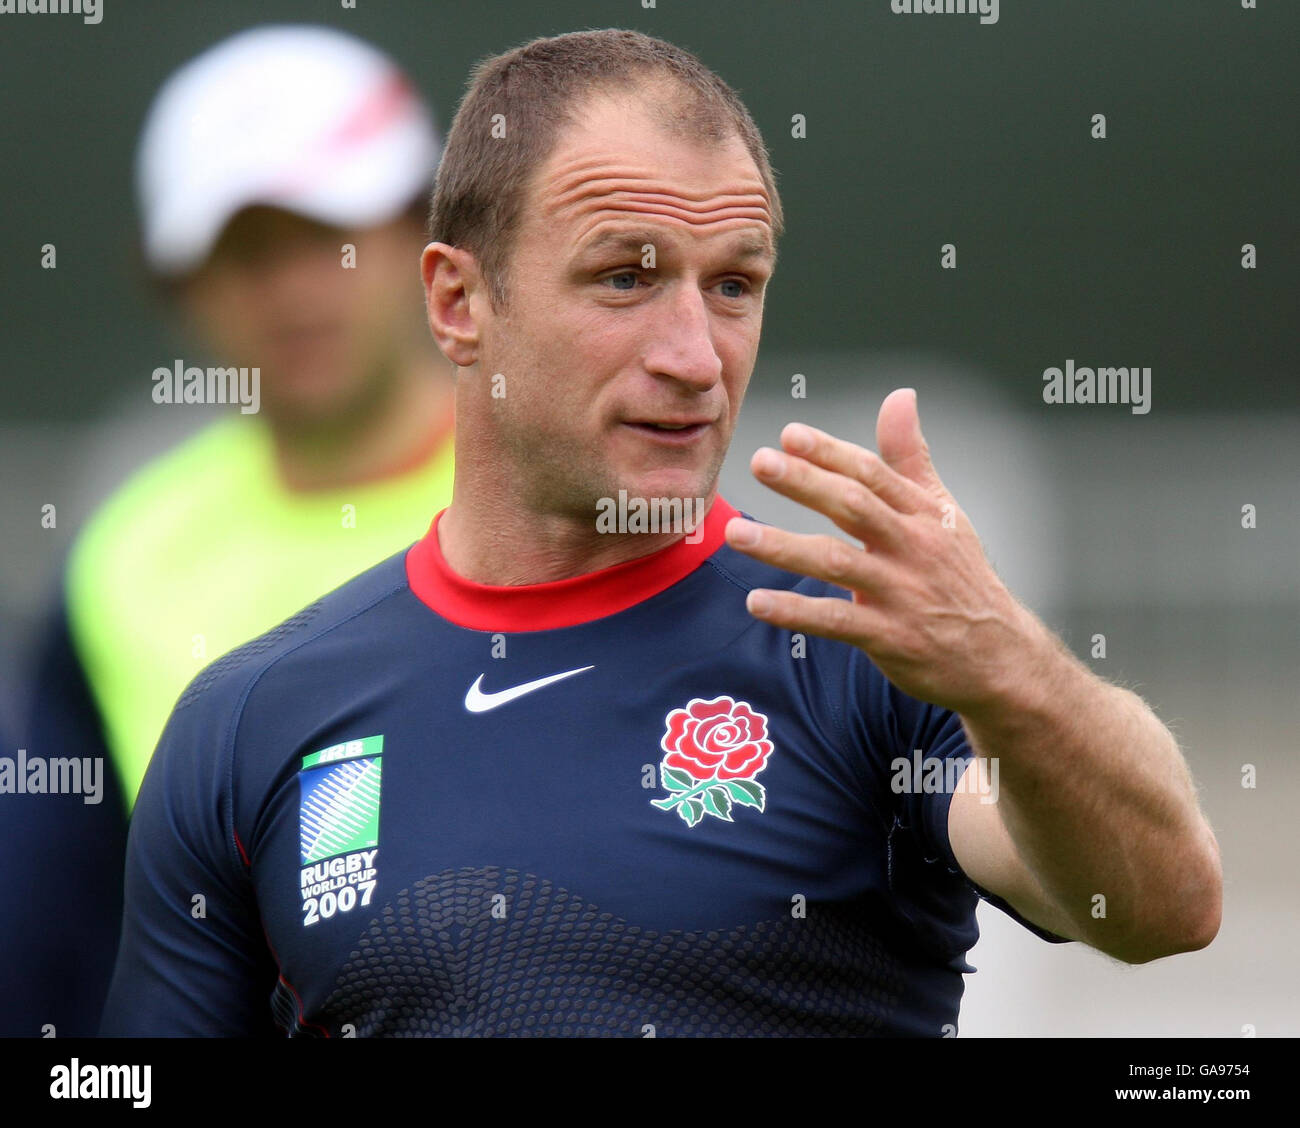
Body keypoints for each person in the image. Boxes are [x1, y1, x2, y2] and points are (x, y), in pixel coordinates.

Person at [100, 27, 1221, 1037]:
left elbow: (1163, 906)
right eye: (625, 277)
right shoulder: (247, 723)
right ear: (458, 303)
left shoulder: (863, 654)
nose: (694, 354)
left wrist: (1011, 670)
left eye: (732, 286)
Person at [7, 24, 454, 1037]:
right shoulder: (123, 554)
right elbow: (52, 943)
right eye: (243, 252)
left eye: (325, 235)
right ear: (175, 286)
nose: (293, 289)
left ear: (423, 236)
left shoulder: (565, 494)